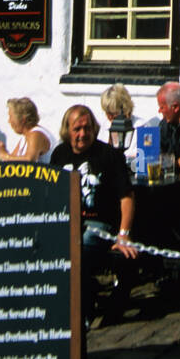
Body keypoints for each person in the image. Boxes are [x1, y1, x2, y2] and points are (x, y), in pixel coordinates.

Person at [50, 105, 138, 320]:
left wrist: (124, 234)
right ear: (66, 130)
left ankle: (83, 312)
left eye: (87, 128)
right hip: (68, 223)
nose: (82, 134)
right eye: (77, 129)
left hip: (100, 224)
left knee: (78, 251)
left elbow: (126, 197)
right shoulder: (59, 154)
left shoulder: (108, 155)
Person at [0, 98, 56, 164]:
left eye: (11, 117)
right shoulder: (26, 136)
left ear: (23, 119)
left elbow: (29, 160)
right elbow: (12, 159)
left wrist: (4, 155)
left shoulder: (36, 134)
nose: (9, 121)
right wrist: (1, 149)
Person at [100, 83, 140, 160]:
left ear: (125, 109)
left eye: (112, 113)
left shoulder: (141, 126)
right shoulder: (105, 125)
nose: (109, 116)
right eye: (106, 112)